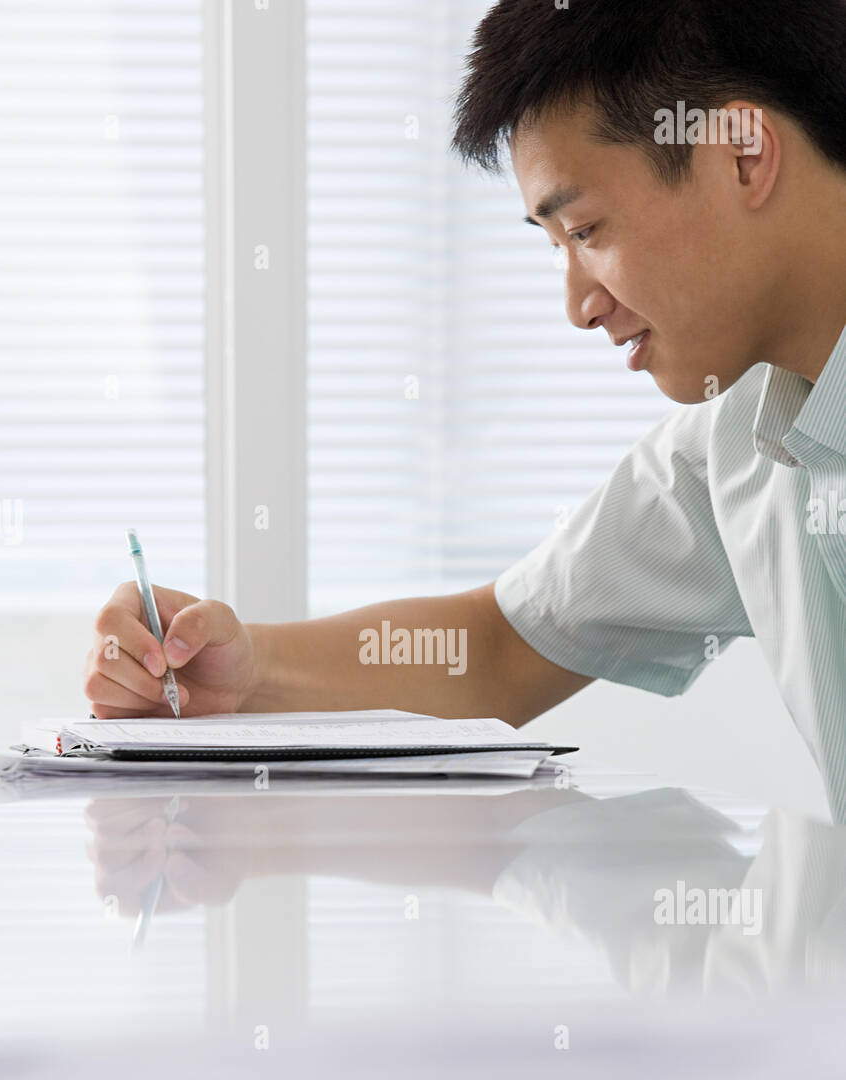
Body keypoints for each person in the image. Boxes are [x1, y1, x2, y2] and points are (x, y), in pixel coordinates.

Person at [83, 0, 846, 819]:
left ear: (742, 155)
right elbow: (497, 648)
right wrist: (240, 670)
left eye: (587, 230)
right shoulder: (741, 440)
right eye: (557, 246)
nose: (579, 306)